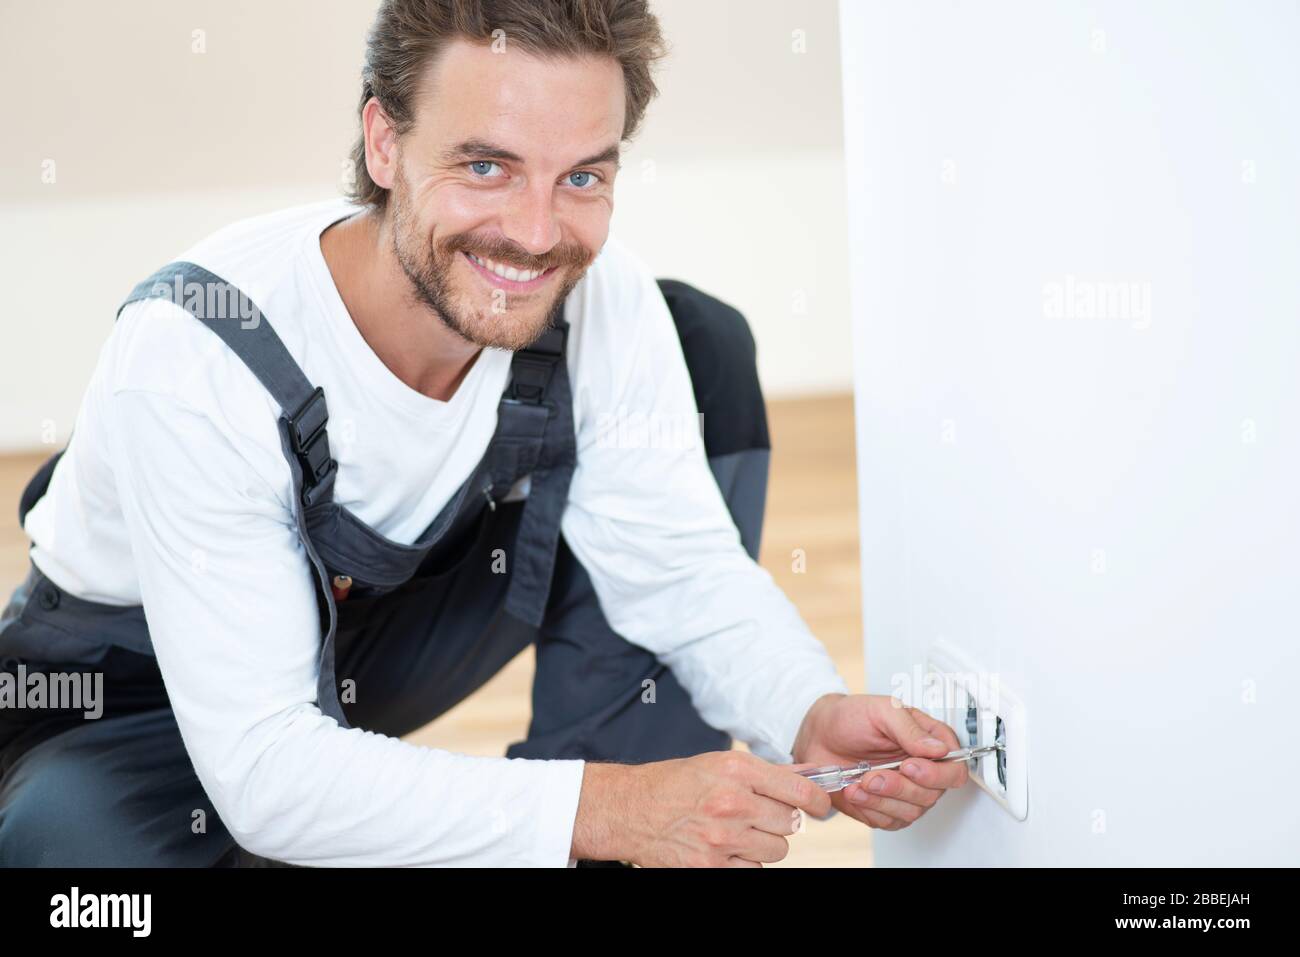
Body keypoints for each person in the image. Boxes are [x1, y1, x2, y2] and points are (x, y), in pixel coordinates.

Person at [0, 0, 967, 868]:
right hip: (120, 703)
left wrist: (809, 709)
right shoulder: (199, 349)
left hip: (359, 656)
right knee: (79, 862)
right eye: (486, 165)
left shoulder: (599, 300)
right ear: (384, 142)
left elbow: (676, 568)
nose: (538, 233)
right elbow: (262, 768)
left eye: (582, 174)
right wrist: (606, 807)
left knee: (702, 340)